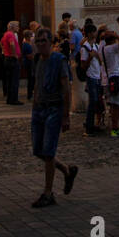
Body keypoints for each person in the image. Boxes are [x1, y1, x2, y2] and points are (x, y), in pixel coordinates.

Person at [30, 27, 77, 207]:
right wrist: (34, 105)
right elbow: (37, 84)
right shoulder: (39, 60)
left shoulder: (59, 60)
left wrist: (66, 116)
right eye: (38, 42)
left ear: (51, 42)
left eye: (44, 41)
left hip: (54, 110)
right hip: (39, 109)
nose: (41, 45)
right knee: (39, 150)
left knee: (49, 152)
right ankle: (66, 170)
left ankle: (48, 193)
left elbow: (66, 88)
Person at [78, 24, 102, 136]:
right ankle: (89, 126)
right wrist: (91, 57)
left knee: (96, 101)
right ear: (89, 33)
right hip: (91, 76)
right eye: (94, 32)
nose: (95, 34)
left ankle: (93, 124)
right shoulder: (85, 48)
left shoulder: (96, 46)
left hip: (97, 76)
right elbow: (83, 66)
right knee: (92, 102)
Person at [100, 29, 119, 135]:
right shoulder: (111, 48)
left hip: (109, 78)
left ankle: (116, 127)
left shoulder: (103, 48)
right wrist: (116, 35)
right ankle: (114, 128)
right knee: (115, 105)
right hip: (114, 77)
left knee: (115, 104)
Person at [1, 20, 23, 105]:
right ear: (13, 27)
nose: (18, 28)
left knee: (10, 80)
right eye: (17, 26)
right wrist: (14, 55)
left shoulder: (6, 34)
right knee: (14, 80)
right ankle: (14, 99)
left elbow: (2, 43)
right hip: (11, 59)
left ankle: (10, 99)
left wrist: (5, 51)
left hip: (7, 58)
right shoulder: (10, 34)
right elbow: (12, 44)